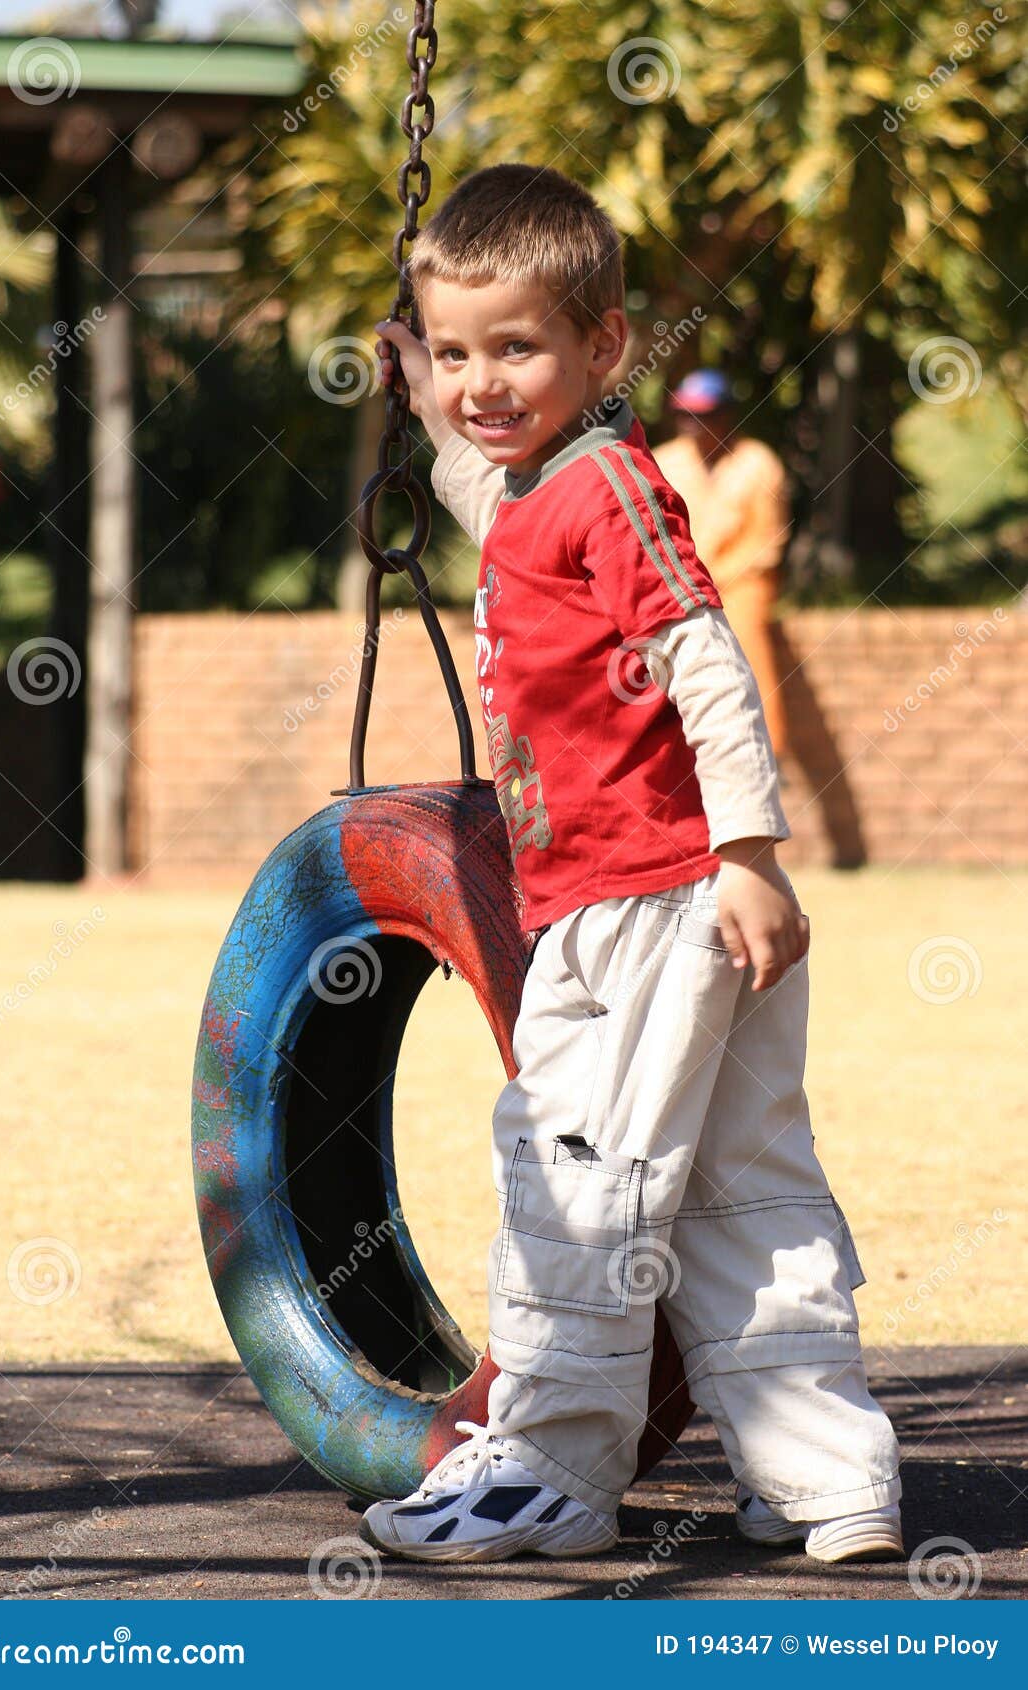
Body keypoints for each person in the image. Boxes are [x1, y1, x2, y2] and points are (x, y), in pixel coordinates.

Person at [364, 162, 901, 1566]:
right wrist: (423, 390)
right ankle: (825, 1474)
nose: (483, 382)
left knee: (570, 1170)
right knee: (740, 1187)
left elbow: (707, 668)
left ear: (602, 348)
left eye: (516, 349)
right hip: (669, 903)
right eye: (459, 352)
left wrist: (748, 855)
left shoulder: (606, 489)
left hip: (648, 901)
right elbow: (483, 488)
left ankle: (547, 1465)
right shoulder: (546, 494)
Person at [653, 371, 791, 770]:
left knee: (747, 637)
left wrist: (717, 577)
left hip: (742, 579)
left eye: (704, 416)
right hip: (682, 579)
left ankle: (768, 749)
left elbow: (767, 542)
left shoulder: (758, 462)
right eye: (685, 416)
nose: (692, 426)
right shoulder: (665, 461)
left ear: (726, 415)